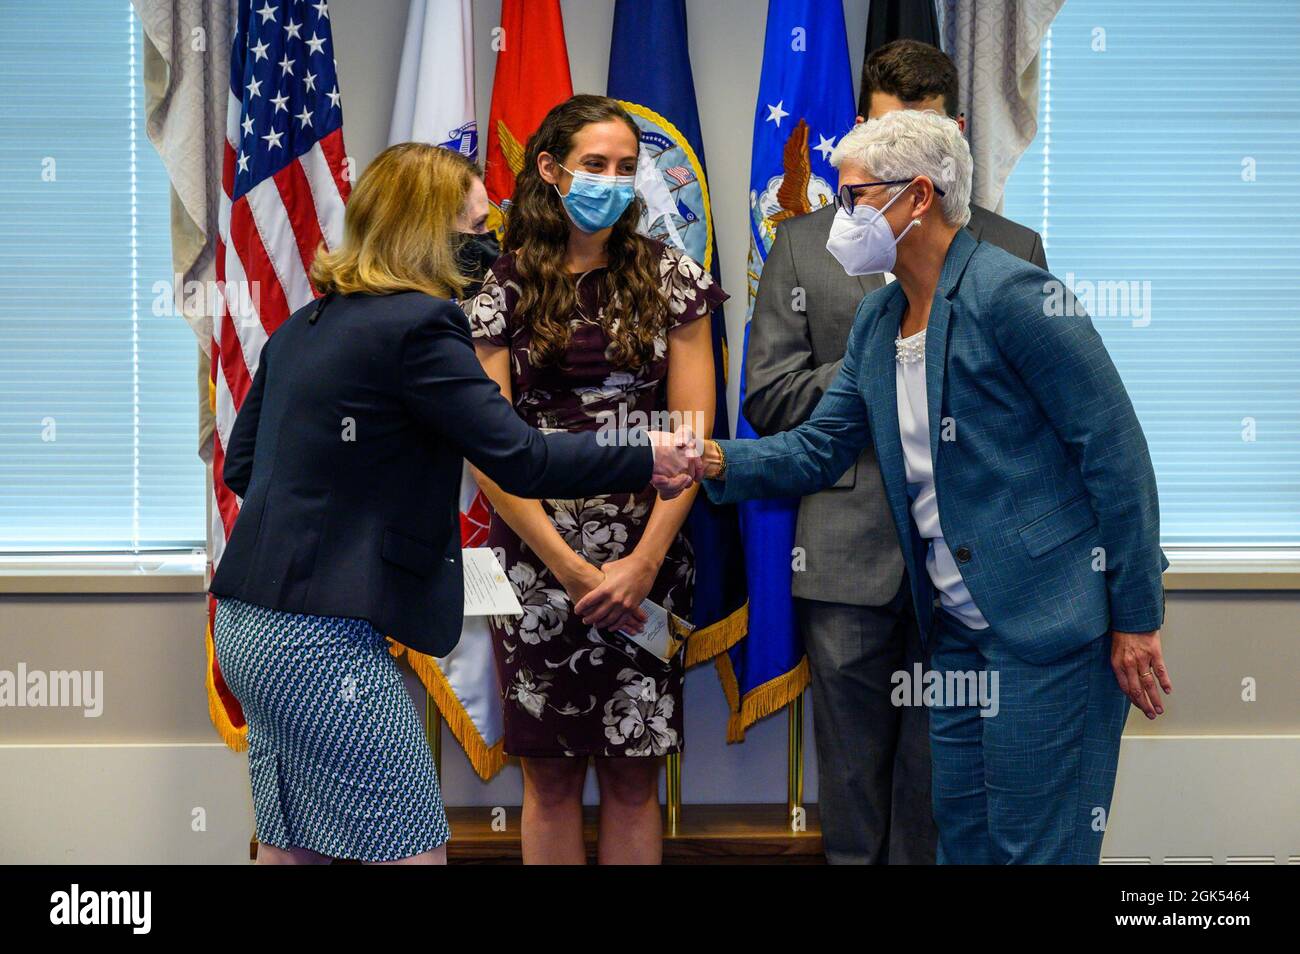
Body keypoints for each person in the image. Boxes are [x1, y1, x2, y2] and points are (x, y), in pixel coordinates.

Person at [697, 110, 1173, 864]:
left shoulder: (1013, 295)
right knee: (962, 844)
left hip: (1048, 629)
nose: (838, 217)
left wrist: (1137, 617)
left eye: (853, 197)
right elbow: (821, 447)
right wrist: (713, 461)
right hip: (957, 633)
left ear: (917, 196)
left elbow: (1118, 460)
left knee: (1034, 850)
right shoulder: (883, 317)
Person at [208, 142, 698, 866]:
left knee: (293, 845)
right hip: (321, 642)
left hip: (248, 625)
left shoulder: (309, 324)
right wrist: (647, 454)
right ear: (429, 233)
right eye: (476, 231)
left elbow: (245, 466)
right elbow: (520, 455)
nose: (489, 246)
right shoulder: (419, 325)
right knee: (413, 849)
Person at [742, 37, 1047, 865]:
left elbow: (1036, 417)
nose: (888, 157)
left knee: (942, 792)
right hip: (848, 561)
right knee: (849, 788)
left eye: (911, 138)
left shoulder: (1011, 250)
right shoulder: (807, 244)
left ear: (948, 140)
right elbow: (767, 396)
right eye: (877, 134)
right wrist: (886, 363)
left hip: (967, 563)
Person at [463, 95, 724, 865]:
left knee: (634, 774)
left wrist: (641, 564)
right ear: (551, 169)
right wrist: (570, 566)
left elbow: (696, 440)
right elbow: (488, 447)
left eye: (626, 168)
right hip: (537, 564)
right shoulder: (499, 286)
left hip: (650, 558)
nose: (613, 181)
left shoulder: (672, 276)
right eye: (595, 165)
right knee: (545, 778)